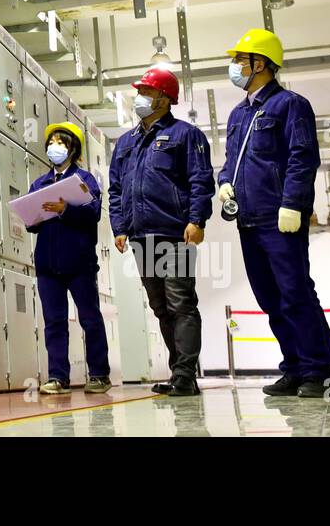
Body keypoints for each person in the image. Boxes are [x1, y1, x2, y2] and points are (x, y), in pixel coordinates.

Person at [217, 28, 330, 398]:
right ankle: (295, 368)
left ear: (262, 64)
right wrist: (224, 182)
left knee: (295, 292)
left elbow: (303, 157)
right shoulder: (239, 114)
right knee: (270, 299)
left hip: (279, 218)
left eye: (241, 59)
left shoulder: (291, 105)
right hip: (248, 220)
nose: (235, 66)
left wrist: (293, 204)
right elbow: (232, 162)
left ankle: (318, 370)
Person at [108, 67, 214, 397]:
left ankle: (184, 375)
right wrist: (120, 226)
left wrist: (197, 220)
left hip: (175, 234)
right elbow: (115, 189)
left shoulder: (186, 135)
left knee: (181, 303)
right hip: (141, 237)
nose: (138, 98)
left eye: (146, 92)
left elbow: (201, 181)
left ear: (165, 100)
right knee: (160, 307)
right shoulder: (126, 142)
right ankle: (179, 372)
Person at [26, 121, 112, 395]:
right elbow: (31, 223)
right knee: (54, 322)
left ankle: (99, 374)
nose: (55, 148)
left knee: (90, 319)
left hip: (79, 264)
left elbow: (94, 213)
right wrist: (33, 215)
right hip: (47, 265)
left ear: (73, 149)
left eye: (61, 143)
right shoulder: (39, 183)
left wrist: (66, 209)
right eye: (52, 143)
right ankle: (58, 377)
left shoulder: (84, 180)